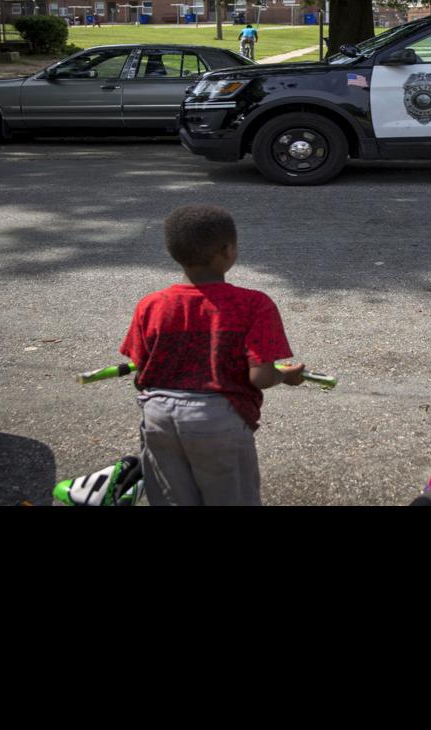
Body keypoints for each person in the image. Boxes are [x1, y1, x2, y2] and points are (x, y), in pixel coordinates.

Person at [119, 205, 305, 505]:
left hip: (158, 416)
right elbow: (259, 377)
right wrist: (287, 376)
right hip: (218, 419)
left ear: (172, 253)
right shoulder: (253, 305)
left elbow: (140, 374)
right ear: (229, 250)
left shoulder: (151, 304)